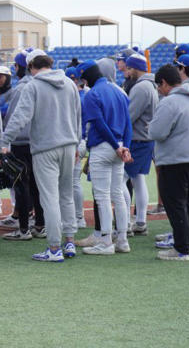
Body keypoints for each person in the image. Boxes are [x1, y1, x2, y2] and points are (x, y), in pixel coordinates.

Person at [1, 51, 81, 262]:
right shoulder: (69, 84)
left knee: (50, 198)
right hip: (69, 144)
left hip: (45, 147)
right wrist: (77, 145)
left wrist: (4, 140)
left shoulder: (33, 86)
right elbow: (77, 115)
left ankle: (54, 248)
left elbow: (20, 116)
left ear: (31, 66)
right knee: (66, 195)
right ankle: (69, 241)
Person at [149, 64, 189, 261]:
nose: (159, 90)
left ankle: (181, 248)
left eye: (159, 86)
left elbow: (156, 132)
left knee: (176, 204)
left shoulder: (170, 102)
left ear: (164, 83)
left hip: (176, 159)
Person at [77, 60, 133, 255]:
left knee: (102, 196)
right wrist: (124, 146)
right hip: (119, 144)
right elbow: (128, 124)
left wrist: (115, 146)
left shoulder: (92, 94)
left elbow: (99, 124)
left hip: (103, 147)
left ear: (88, 77)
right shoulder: (119, 91)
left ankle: (106, 242)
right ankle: (123, 240)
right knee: (118, 194)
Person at [0, 49, 44, 240]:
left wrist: (4, 140)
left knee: (21, 185)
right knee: (36, 185)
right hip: (38, 141)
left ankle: (24, 228)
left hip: (21, 142)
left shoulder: (22, 88)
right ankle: (40, 224)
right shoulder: (43, 85)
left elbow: (13, 117)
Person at [123, 53, 158, 235]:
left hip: (138, 139)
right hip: (146, 138)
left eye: (129, 68)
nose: (126, 72)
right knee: (138, 179)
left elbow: (129, 116)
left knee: (121, 179)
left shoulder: (141, 87)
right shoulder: (150, 85)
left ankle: (126, 222)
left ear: (134, 68)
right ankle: (140, 221)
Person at [65, 66, 88, 229]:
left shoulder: (69, 96)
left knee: (69, 182)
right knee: (75, 182)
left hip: (74, 141)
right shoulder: (86, 94)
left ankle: (77, 218)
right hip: (83, 140)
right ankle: (79, 217)